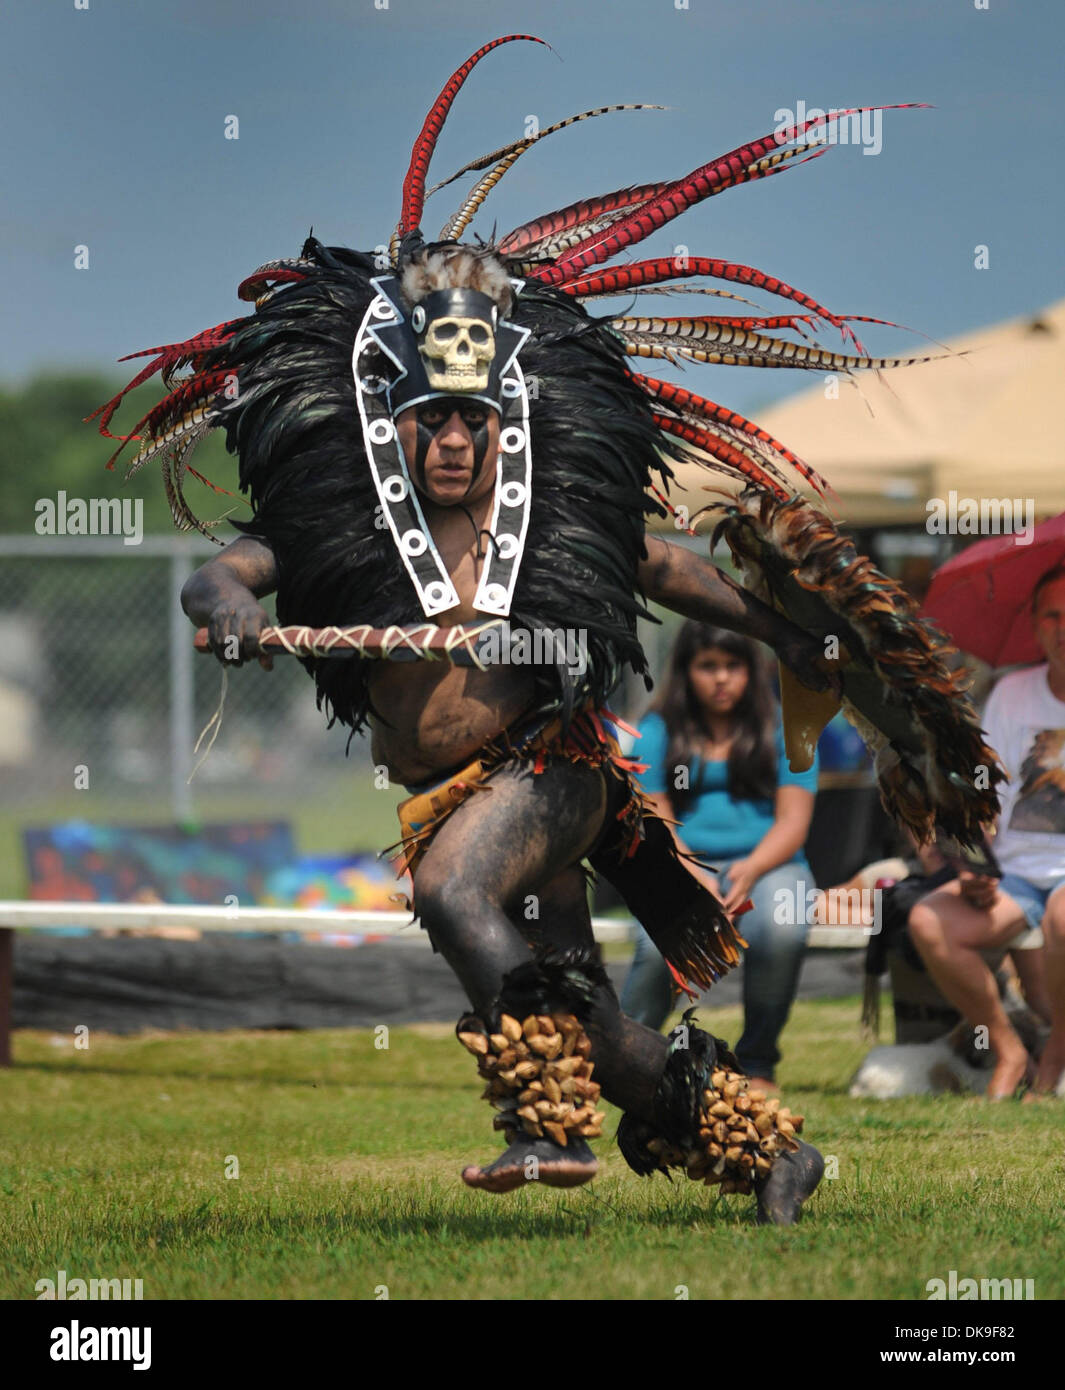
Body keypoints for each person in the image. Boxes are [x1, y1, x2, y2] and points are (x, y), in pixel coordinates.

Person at [92, 35, 1003, 1221]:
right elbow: (233, 569)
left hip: (552, 771)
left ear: (502, 425)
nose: (456, 440)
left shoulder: (547, 522)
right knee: (592, 1025)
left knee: (454, 891)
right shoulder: (348, 530)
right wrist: (221, 615)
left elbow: (672, 570)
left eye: (473, 419)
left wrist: (792, 634)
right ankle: (773, 1150)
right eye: (435, 422)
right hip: (445, 790)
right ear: (402, 431)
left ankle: (538, 1124)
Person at [621, 623, 817, 1089]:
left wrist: (750, 868)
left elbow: (793, 822)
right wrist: (692, 872)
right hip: (680, 863)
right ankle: (626, 1059)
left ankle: (758, 1061)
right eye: (708, 666)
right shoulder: (656, 730)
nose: (722, 678)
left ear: (753, 670)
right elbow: (655, 817)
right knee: (657, 947)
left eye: (733, 666)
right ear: (687, 672)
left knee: (781, 926)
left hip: (771, 864)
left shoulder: (787, 729)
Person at [909, 565, 1065, 1099]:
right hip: (1016, 878)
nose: (1064, 627)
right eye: (1053, 614)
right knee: (930, 920)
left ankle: (1054, 1056)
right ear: (1036, 625)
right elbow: (984, 799)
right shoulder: (1010, 694)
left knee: (1064, 916)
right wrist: (975, 866)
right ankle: (1009, 1049)